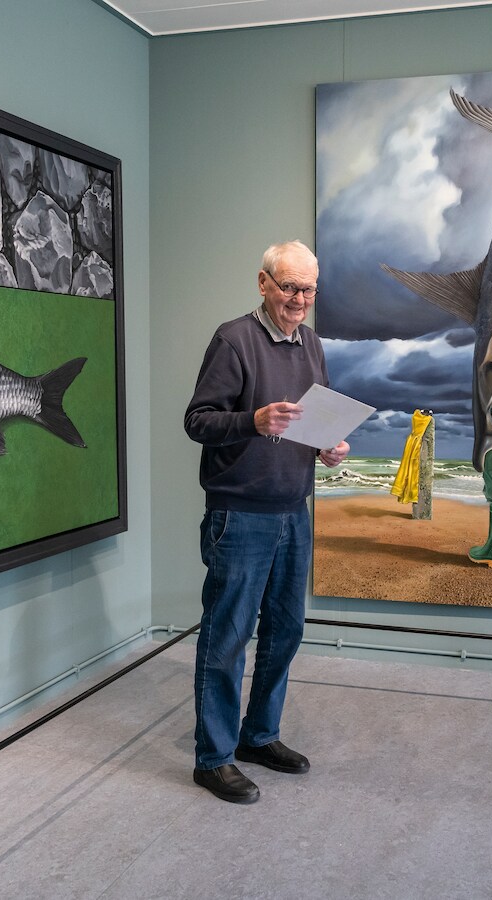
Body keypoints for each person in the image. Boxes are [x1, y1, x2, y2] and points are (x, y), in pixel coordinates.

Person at [183, 240, 349, 804]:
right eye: (289, 288)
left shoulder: (313, 344)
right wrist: (253, 420)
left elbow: (310, 423)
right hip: (239, 515)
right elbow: (198, 422)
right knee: (227, 638)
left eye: (308, 290)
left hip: (293, 511)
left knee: (285, 632)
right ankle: (214, 758)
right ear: (263, 283)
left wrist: (326, 447)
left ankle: (259, 736)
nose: (299, 300)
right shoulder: (233, 339)